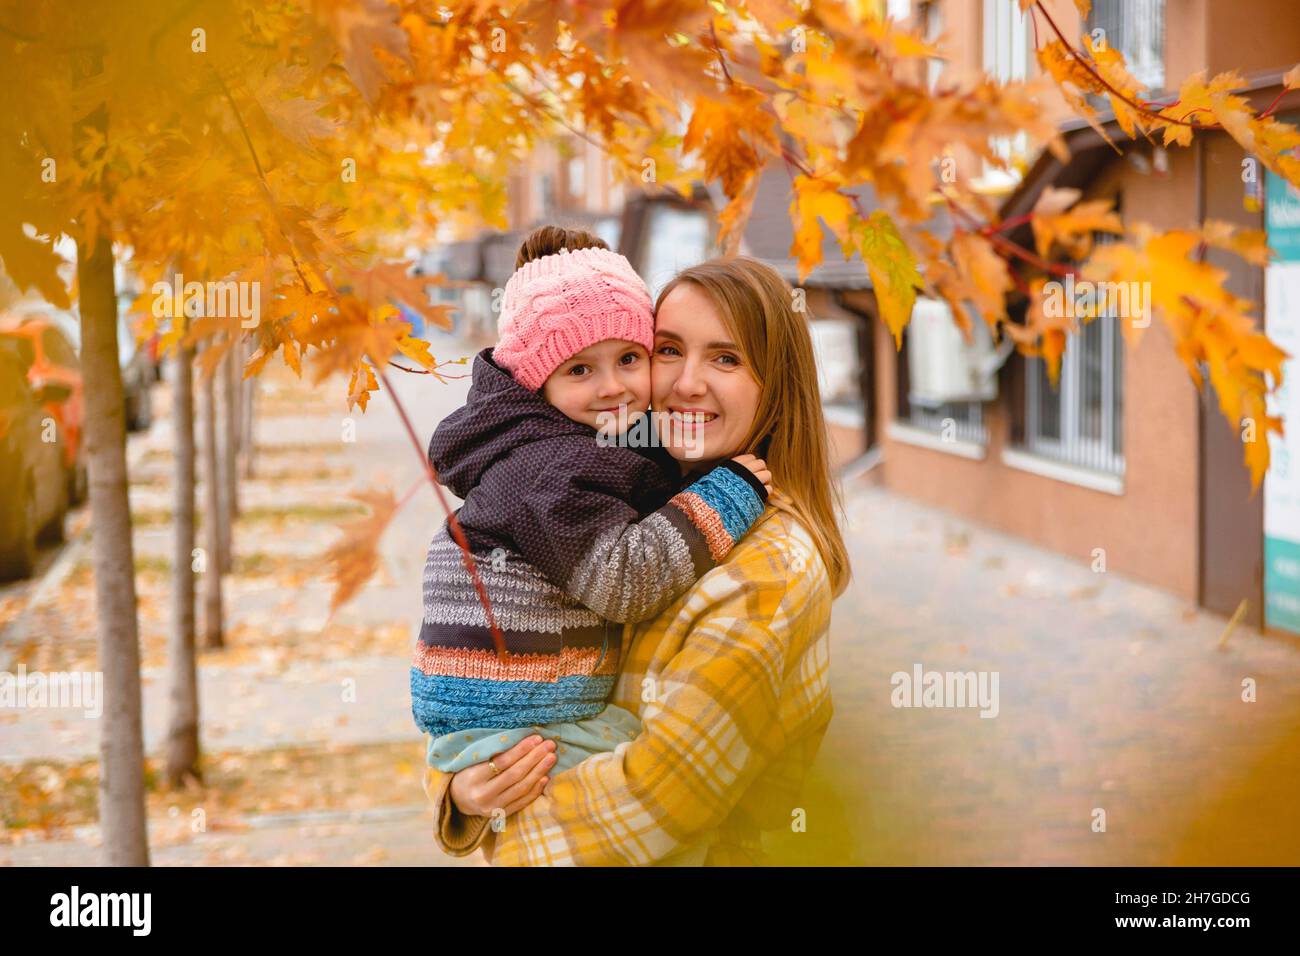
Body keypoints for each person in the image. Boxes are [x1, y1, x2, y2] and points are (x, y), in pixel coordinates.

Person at [422, 255, 850, 865]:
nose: (685, 383)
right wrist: (462, 787)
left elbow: (653, 804)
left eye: (726, 359)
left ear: (777, 385)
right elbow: (486, 682)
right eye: (667, 350)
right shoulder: (623, 503)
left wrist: (501, 831)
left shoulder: (768, 573)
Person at [411, 226, 773, 779]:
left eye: (631, 358)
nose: (613, 388)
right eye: (580, 369)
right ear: (537, 385)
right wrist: (728, 492)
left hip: (525, 714)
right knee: (664, 770)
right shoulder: (550, 470)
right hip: (522, 719)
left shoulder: (577, 440)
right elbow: (624, 582)